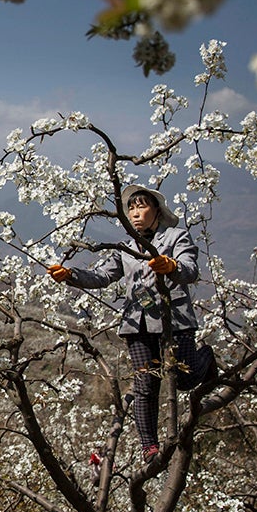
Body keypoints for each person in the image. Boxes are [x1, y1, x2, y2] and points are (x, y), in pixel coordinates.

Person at [46, 184, 214, 463]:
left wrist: (172, 266)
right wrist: (70, 275)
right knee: (146, 384)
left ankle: (207, 356)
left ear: (157, 210)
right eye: (131, 208)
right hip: (137, 323)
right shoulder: (125, 248)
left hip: (175, 321)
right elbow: (102, 276)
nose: (135, 213)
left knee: (184, 379)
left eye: (142, 206)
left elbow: (191, 270)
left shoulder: (176, 236)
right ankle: (149, 446)